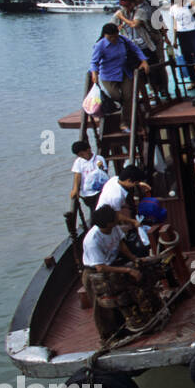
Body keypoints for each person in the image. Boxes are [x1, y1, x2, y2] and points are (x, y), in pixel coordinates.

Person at [80, 206, 163, 338]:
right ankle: (108, 335)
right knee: (101, 305)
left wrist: (134, 259)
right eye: (114, 218)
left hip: (112, 264)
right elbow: (100, 267)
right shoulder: (92, 240)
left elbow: (121, 245)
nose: (118, 218)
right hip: (94, 271)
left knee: (135, 285)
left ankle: (137, 317)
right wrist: (128, 270)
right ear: (108, 223)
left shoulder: (114, 228)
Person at [89, 22, 150, 130]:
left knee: (128, 96)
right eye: (110, 37)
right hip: (108, 75)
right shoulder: (100, 45)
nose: (113, 39)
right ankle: (125, 109)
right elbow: (94, 62)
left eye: (115, 36)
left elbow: (135, 49)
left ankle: (124, 122)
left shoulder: (122, 40)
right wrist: (94, 73)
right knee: (116, 96)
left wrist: (144, 61)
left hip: (124, 72)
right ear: (105, 35)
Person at [116, 0, 171, 99]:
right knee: (144, 68)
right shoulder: (126, 8)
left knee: (159, 65)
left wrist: (165, 37)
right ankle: (151, 91)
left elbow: (159, 21)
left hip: (154, 38)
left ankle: (163, 89)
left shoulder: (149, 5)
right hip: (136, 43)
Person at [70, 139, 109, 215]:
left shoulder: (99, 159)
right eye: (79, 155)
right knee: (93, 209)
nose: (82, 157)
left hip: (99, 191)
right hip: (87, 193)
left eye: (82, 154)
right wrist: (75, 189)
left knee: (100, 209)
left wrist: (100, 167)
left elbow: (104, 175)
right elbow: (77, 175)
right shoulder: (79, 161)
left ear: (88, 150)